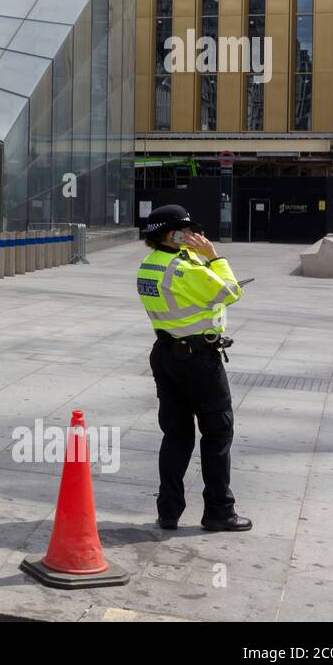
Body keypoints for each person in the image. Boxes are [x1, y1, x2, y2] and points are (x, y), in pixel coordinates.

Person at [136, 204, 251, 532]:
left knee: (176, 434)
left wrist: (195, 258)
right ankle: (219, 511)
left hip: (165, 353)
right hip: (198, 360)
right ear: (169, 234)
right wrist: (215, 257)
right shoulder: (183, 268)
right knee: (218, 432)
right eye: (185, 230)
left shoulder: (150, 264)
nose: (193, 235)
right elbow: (229, 292)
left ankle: (168, 511)